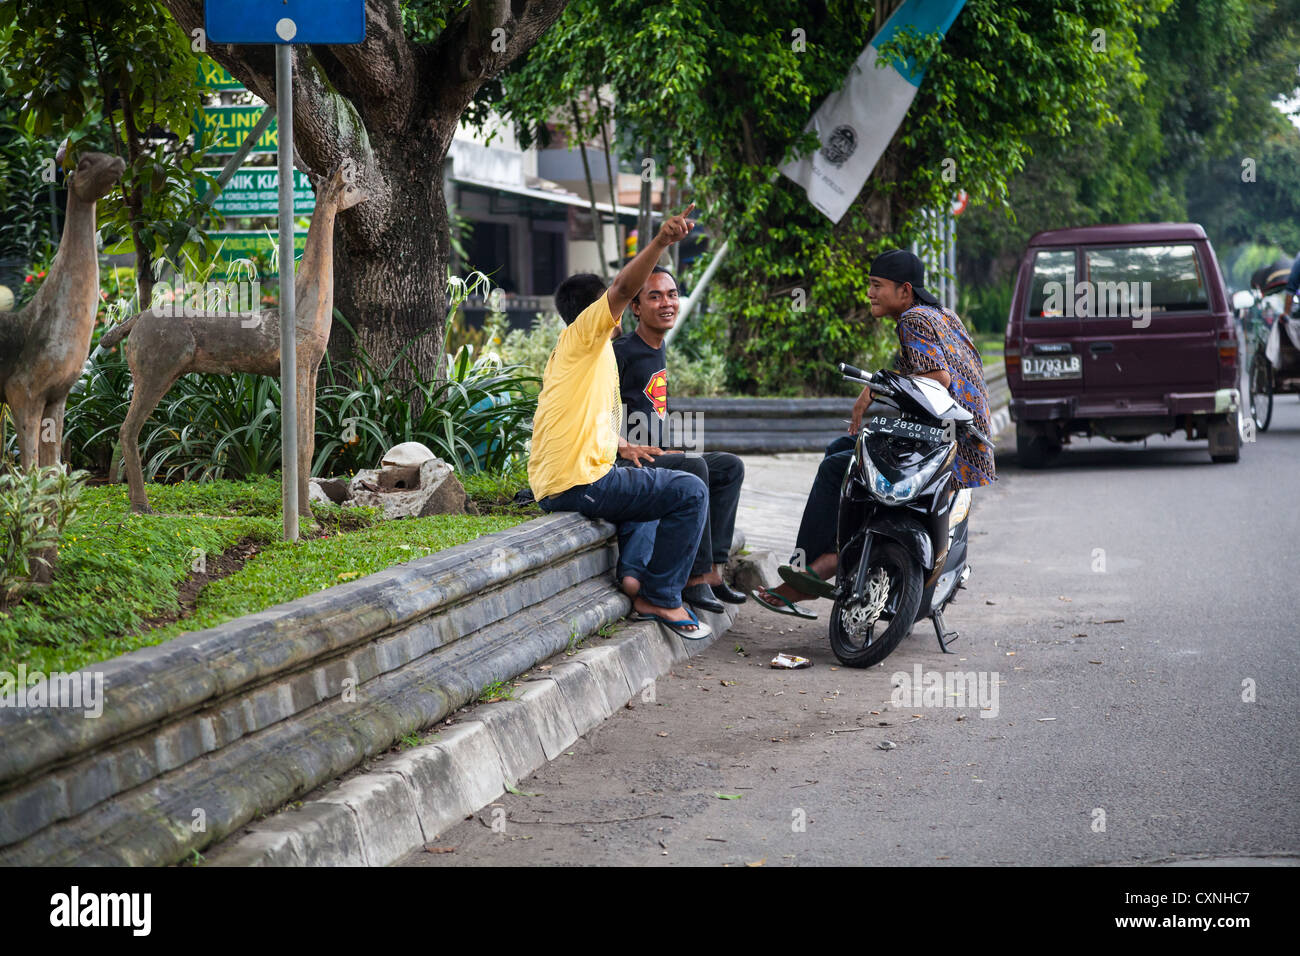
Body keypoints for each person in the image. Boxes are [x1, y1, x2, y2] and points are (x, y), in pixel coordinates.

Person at [752, 249, 996, 618]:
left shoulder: (913, 319)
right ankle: (834, 553)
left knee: (838, 465)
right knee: (842, 447)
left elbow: (939, 378)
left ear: (905, 290)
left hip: (946, 444)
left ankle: (814, 565)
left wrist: (870, 390)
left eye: (877, 286)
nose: (869, 293)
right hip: (966, 443)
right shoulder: (945, 315)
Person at [529, 204, 712, 638]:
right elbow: (623, 284)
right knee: (690, 491)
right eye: (623, 302)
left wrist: (621, 445)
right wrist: (662, 241)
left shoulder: (585, 356)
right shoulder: (585, 336)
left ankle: (635, 574)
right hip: (579, 485)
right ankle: (661, 597)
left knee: (646, 472)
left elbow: (580, 420)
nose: (626, 304)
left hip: (572, 478)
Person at [611, 266, 748, 615]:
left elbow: (649, 408)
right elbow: (594, 413)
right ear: (636, 308)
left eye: (671, 294)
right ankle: (694, 579)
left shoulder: (658, 346)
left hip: (653, 452)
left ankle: (715, 572)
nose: (666, 302)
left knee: (730, 467)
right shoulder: (621, 352)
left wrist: (666, 444)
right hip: (626, 462)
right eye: (654, 296)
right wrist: (623, 444)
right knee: (695, 465)